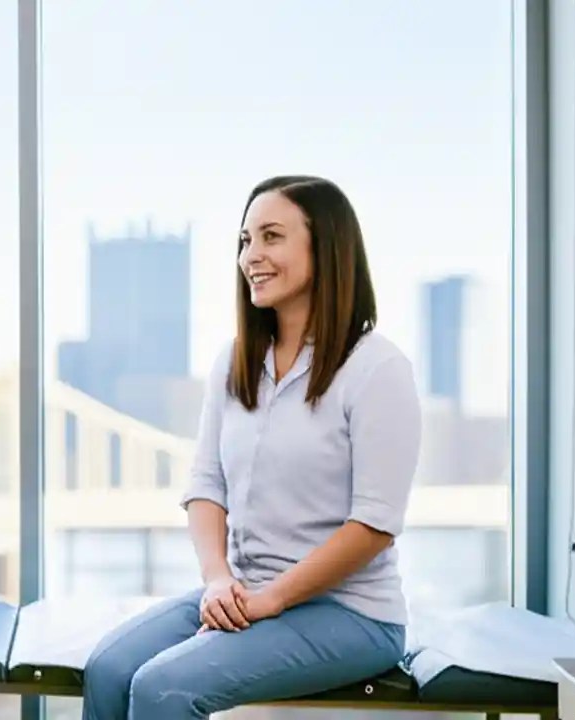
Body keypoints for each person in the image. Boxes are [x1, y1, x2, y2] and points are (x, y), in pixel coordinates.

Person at [81, 175, 423, 719]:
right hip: (244, 590)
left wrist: (274, 598)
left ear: (326, 248)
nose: (251, 256)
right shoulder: (237, 358)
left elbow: (374, 524)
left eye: (270, 237)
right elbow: (206, 486)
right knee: (108, 669)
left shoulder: (378, 369)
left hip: (352, 614)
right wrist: (218, 579)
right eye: (244, 240)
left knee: (163, 689)